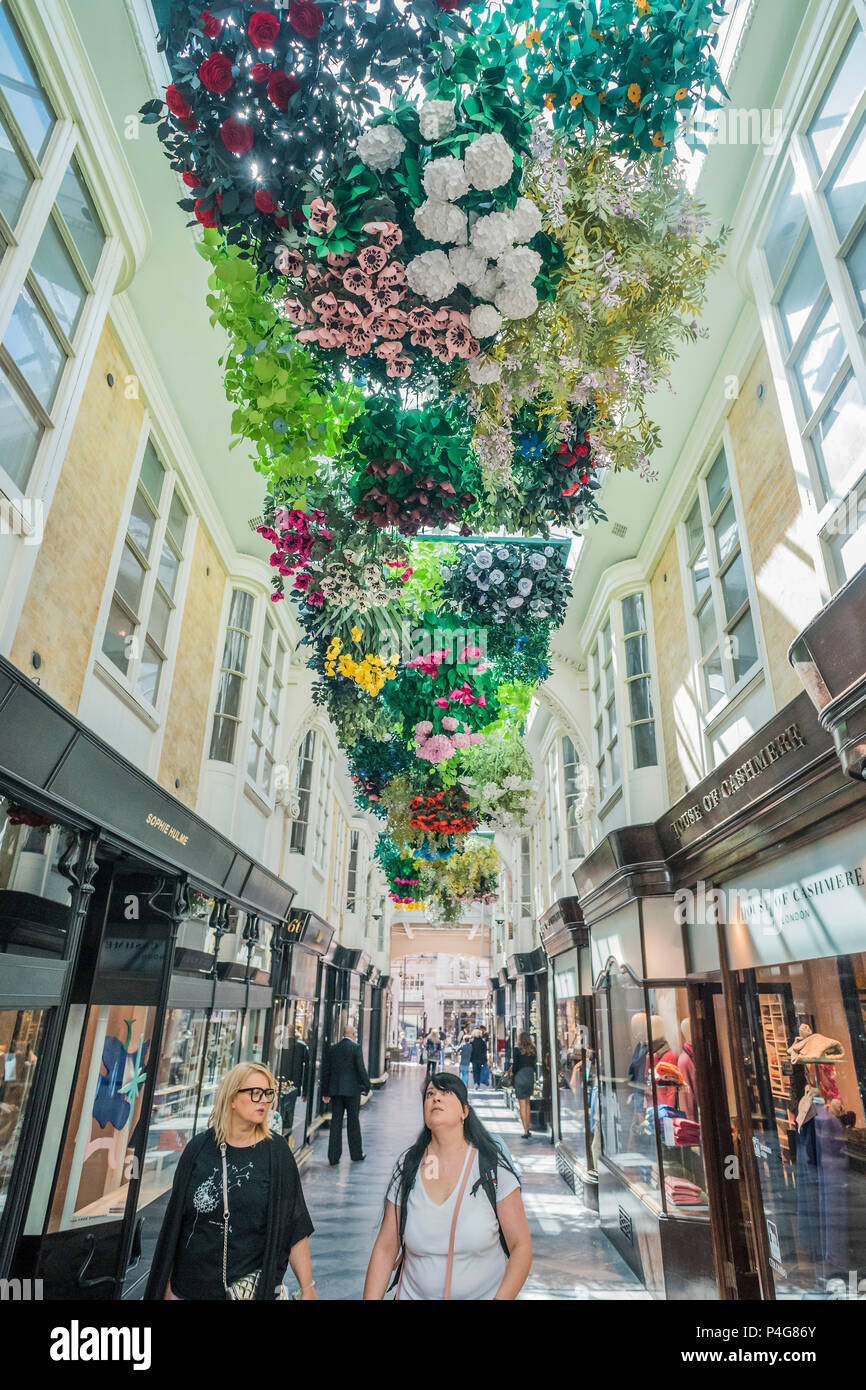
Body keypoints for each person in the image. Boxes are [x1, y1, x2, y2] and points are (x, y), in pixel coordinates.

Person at [144, 1062, 317, 1300]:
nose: (264, 1101)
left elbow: (294, 1225)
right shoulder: (199, 1149)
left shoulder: (276, 1153)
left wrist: (307, 1288)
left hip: (248, 1290)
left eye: (268, 1093)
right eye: (255, 1093)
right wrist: (169, 1288)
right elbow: (177, 1223)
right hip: (190, 1288)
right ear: (232, 1098)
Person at [363, 1073, 532, 1301]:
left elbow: (520, 1246)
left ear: (465, 1112)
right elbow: (385, 1247)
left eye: (446, 1093)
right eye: (430, 1094)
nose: (436, 1099)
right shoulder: (408, 1166)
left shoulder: (490, 1166)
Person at [322, 1024, 371, 1165]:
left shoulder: (333, 1048)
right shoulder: (355, 1048)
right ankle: (356, 1154)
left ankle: (333, 1156)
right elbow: (361, 1069)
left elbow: (327, 1071)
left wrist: (326, 1092)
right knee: (353, 1122)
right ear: (353, 1034)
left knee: (336, 1123)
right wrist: (367, 1086)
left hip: (336, 1091)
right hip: (352, 1091)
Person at [513, 1031, 537, 1140]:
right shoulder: (533, 1050)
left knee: (522, 1104)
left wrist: (512, 1075)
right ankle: (528, 1127)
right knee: (527, 1103)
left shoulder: (517, 1050)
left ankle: (525, 1130)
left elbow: (515, 1067)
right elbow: (534, 1065)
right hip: (530, 1076)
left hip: (520, 1077)